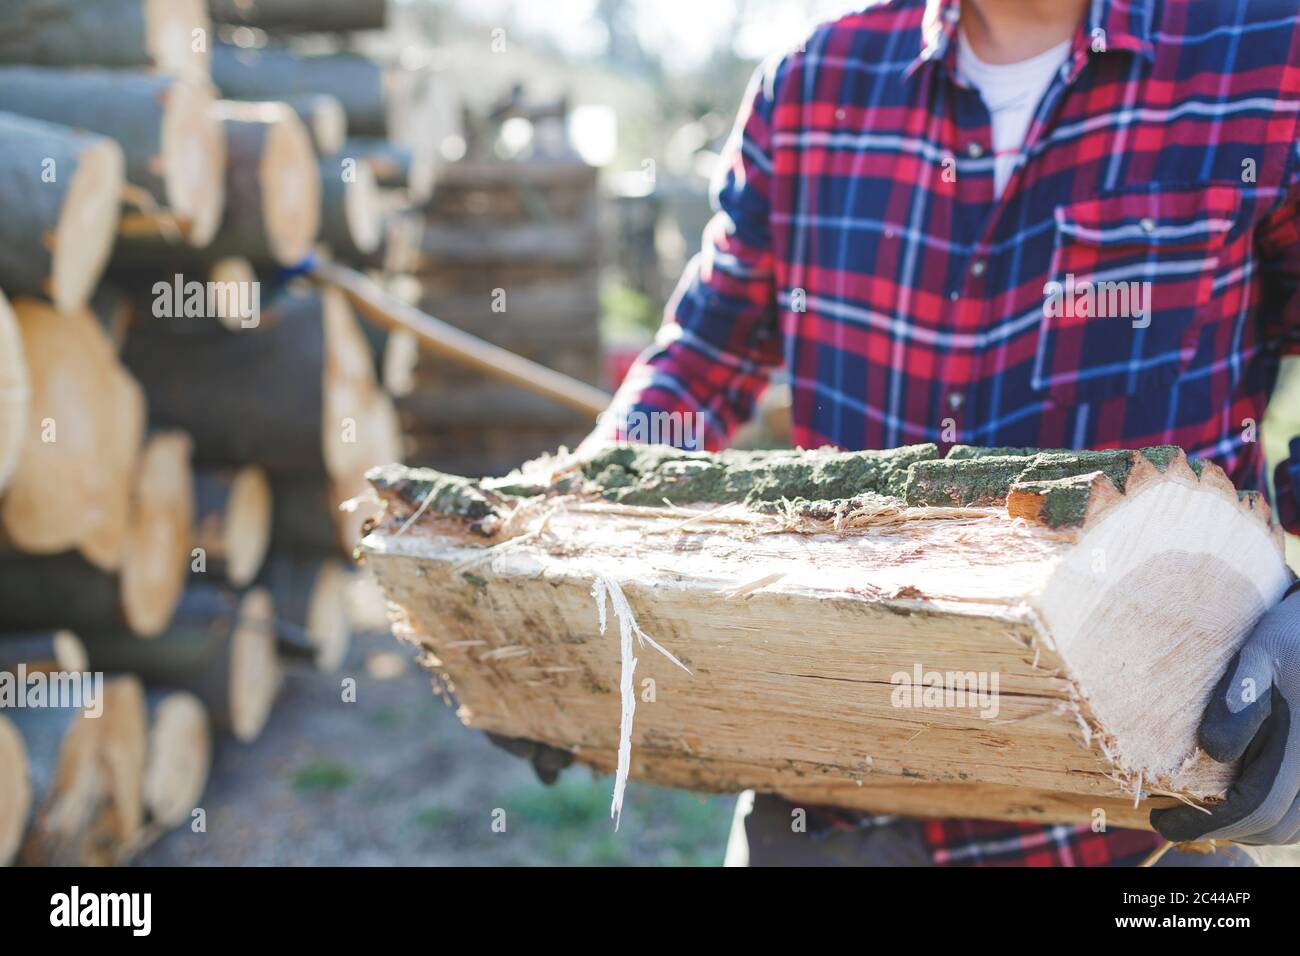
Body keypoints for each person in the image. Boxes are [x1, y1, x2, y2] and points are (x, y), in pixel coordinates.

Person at [505, 0, 1300, 865]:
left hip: (1135, 820)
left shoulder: (1264, 55)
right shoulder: (813, 82)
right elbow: (700, 361)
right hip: (829, 797)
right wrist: (561, 564)